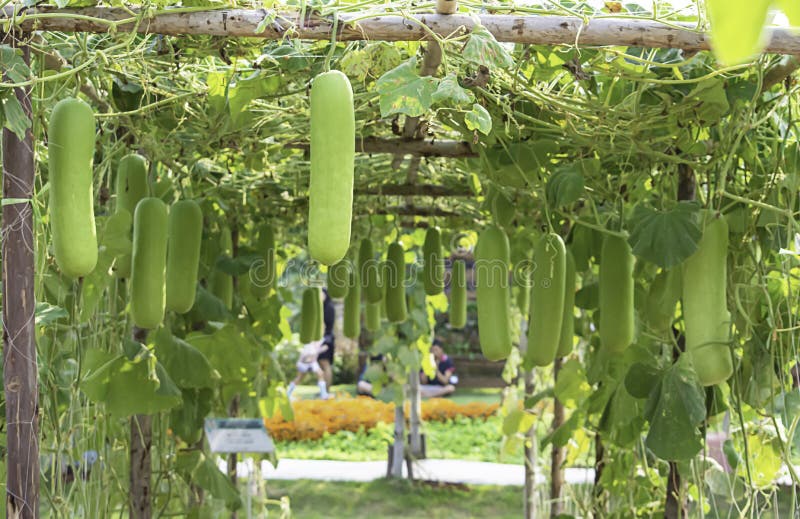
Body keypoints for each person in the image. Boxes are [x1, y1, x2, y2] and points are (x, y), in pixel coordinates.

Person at [317, 289, 336, 388]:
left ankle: (326, 389)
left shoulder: (328, 308)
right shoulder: (324, 307)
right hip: (326, 339)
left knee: (325, 364)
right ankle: (324, 389)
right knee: (323, 364)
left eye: (321, 294)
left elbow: (325, 325)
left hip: (326, 339)